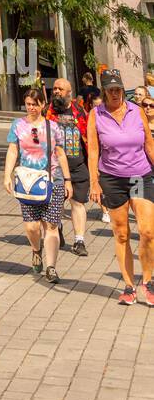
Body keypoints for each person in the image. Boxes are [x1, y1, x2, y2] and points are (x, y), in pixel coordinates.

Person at [87, 71, 154, 305]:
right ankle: (128, 285)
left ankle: (147, 282)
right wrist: (94, 182)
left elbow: (148, 142)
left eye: (118, 89)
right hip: (113, 179)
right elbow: (93, 150)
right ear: (104, 91)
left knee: (147, 231)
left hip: (139, 175)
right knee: (122, 233)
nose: (115, 93)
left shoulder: (137, 111)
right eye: (110, 90)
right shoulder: (96, 115)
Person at [4, 86, 72, 283]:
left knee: (51, 225)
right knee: (32, 227)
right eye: (28, 104)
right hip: (27, 182)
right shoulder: (17, 125)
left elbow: (60, 154)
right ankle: (36, 249)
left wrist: (67, 180)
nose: (31, 108)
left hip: (53, 181)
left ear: (43, 104)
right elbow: (12, 151)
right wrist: (7, 175)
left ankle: (51, 267)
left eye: (35, 104)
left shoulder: (53, 127)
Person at [48, 77, 89, 256]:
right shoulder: (46, 111)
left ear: (69, 93)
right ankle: (58, 229)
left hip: (77, 165)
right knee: (55, 204)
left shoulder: (79, 111)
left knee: (78, 203)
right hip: (55, 167)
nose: (56, 91)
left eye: (60, 89)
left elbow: (88, 137)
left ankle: (79, 241)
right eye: (55, 89)